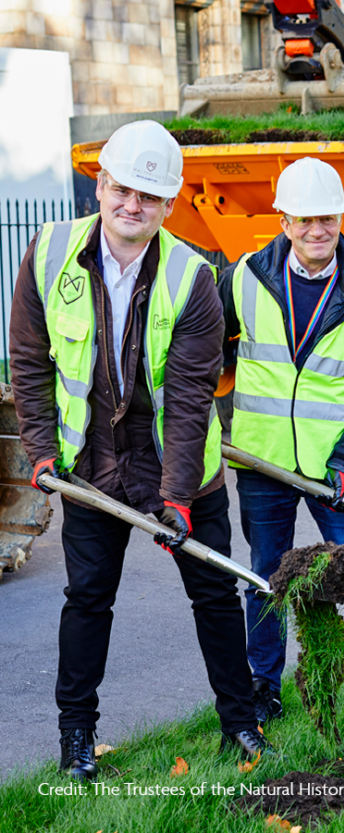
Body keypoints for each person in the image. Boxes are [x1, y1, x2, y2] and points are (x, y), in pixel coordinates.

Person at [9, 121, 268, 780]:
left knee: (213, 597)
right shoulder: (47, 254)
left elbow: (189, 400)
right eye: (123, 189)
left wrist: (177, 496)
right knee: (88, 599)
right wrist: (40, 447)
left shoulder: (194, 279)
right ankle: (76, 738)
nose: (133, 206)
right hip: (91, 471)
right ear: (101, 186)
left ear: (170, 203)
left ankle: (240, 723)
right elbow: (30, 364)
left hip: (182, 474)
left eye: (149, 196)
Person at [218, 157, 344, 735]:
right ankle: (263, 687)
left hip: (339, 469)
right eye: (304, 220)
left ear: (340, 220)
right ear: (283, 221)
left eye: (326, 219)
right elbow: (212, 353)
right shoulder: (246, 277)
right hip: (263, 462)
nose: (316, 231)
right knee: (265, 577)